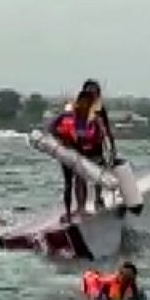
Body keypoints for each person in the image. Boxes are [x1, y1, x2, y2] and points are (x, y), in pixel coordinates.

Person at [49, 90, 106, 222]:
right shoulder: (72, 116)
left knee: (75, 181)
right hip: (70, 153)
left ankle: (76, 210)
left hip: (73, 153)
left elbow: (97, 137)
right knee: (74, 182)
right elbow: (52, 128)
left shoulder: (87, 118)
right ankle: (74, 211)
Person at [80, 79, 116, 209]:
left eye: (94, 92)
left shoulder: (100, 109)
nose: (92, 94)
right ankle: (81, 205)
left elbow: (107, 129)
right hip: (81, 147)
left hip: (96, 146)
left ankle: (98, 200)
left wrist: (112, 148)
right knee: (81, 176)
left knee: (98, 173)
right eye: (89, 91)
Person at [81, 261, 145, 300]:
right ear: (120, 276)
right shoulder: (116, 284)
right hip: (90, 280)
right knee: (98, 299)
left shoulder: (130, 280)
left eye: (130, 278)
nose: (128, 280)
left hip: (97, 277)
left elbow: (134, 292)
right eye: (125, 277)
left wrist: (137, 297)